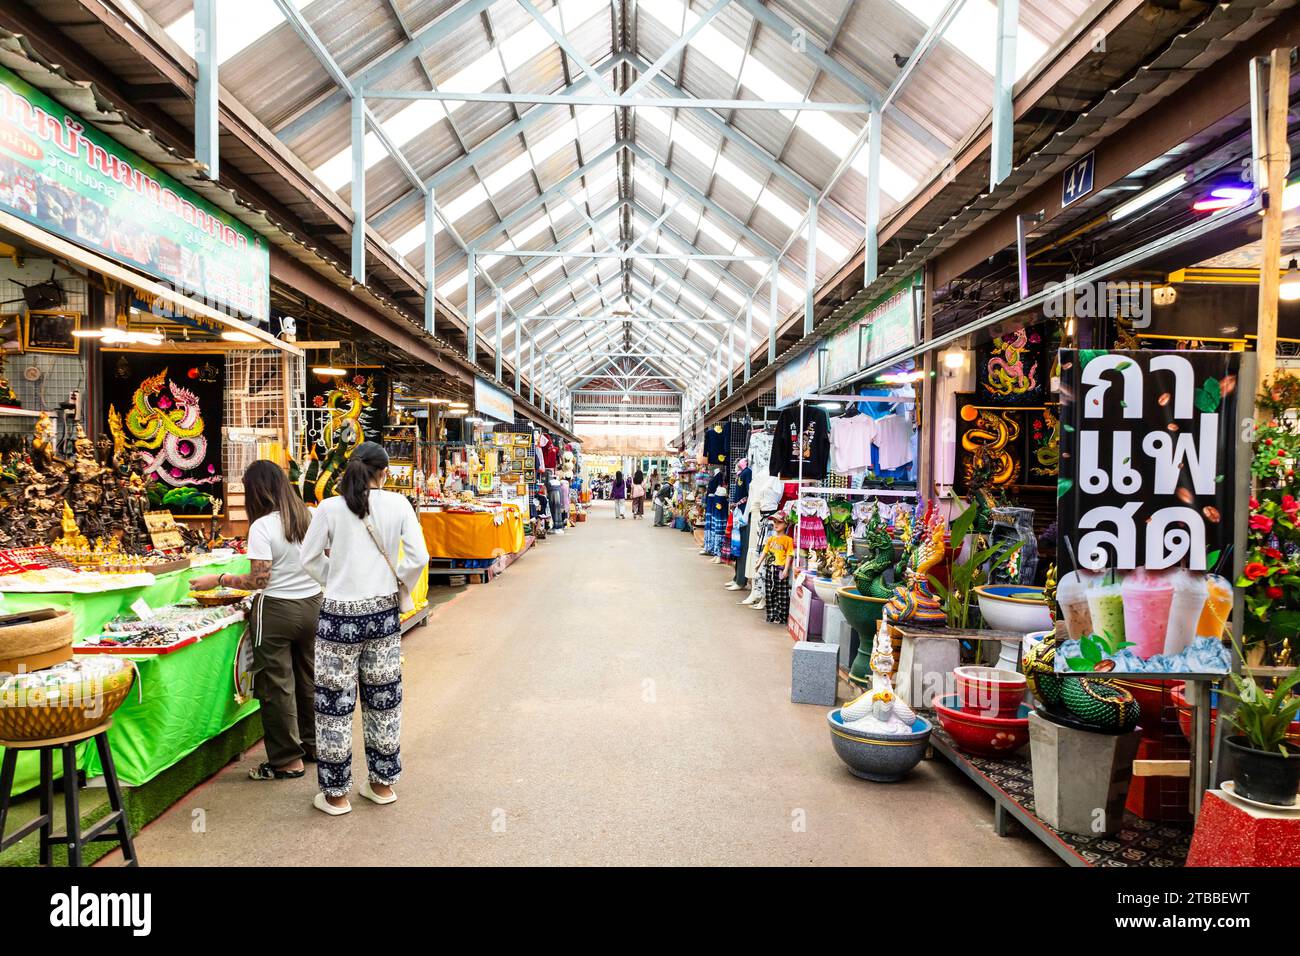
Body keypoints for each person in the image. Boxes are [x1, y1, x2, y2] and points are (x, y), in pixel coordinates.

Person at [299, 442, 430, 816]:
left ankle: (336, 795)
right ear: (384, 472)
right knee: (383, 701)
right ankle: (382, 785)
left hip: (338, 617)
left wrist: (334, 580)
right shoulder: (398, 505)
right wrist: (398, 582)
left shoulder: (329, 507)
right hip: (382, 614)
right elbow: (419, 557)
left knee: (334, 707)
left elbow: (308, 557)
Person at [191, 460, 321, 781]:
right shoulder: (310, 516)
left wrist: (219, 578)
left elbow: (258, 580)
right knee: (309, 678)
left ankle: (287, 760)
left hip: (276, 611)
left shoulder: (262, 527)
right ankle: (315, 745)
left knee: (276, 685)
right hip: (313, 606)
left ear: (257, 492)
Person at [760, 511, 795, 623]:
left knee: (782, 593)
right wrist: (758, 563)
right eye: (774, 522)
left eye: (779, 522)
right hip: (770, 568)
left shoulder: (788, 540)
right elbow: (765, 552)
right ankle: (771, 615)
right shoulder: (770, 539)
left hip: (780, 569)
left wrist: (786, 569)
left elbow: (789, 555)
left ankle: (782, 617)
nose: (776, 524)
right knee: (770, 593)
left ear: (785, 524)